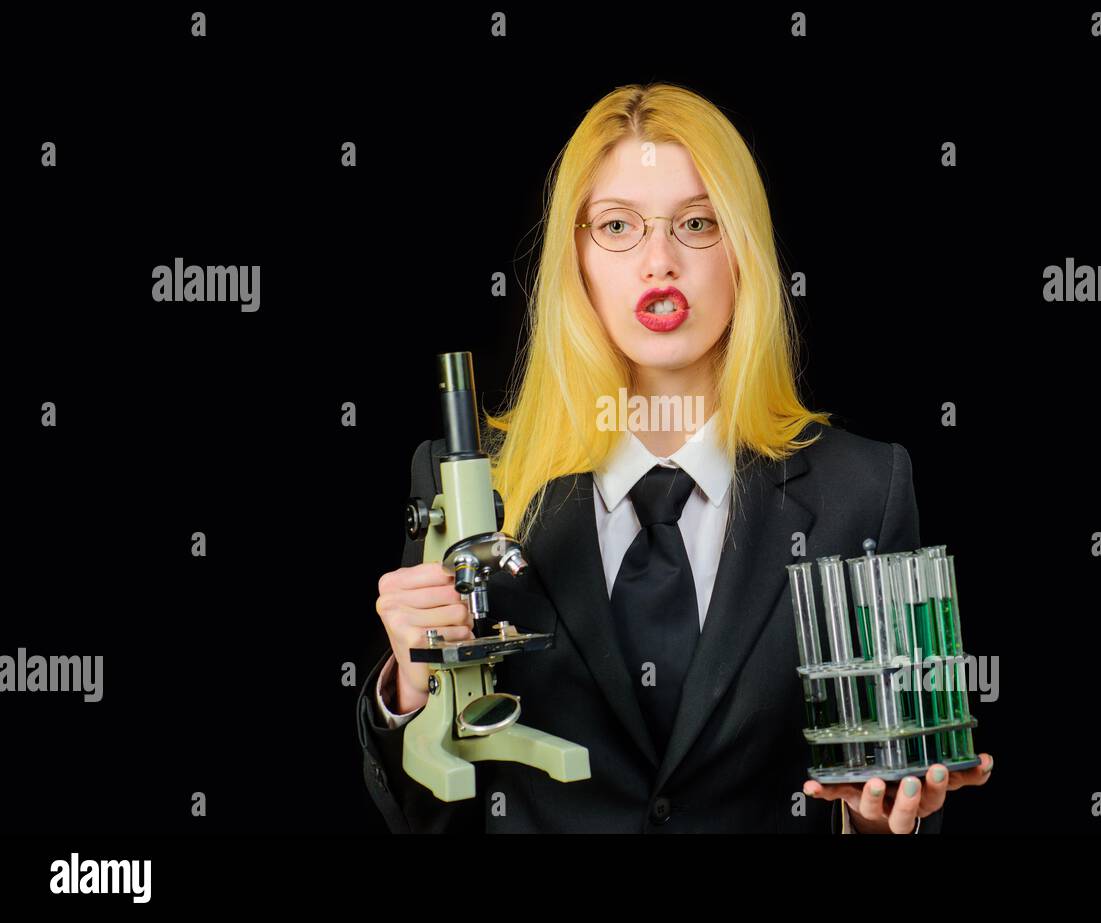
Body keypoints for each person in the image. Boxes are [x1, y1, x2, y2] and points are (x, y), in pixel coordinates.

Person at [359, 82, 992, 833]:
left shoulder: (865, 488)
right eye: (618, 226)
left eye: (696, 223)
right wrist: (406, 685)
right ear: (577, 261)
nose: (659, 261)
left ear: (744, 251)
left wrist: (878, 819)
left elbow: (894, 772)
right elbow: (418, 816)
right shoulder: (469, 485)